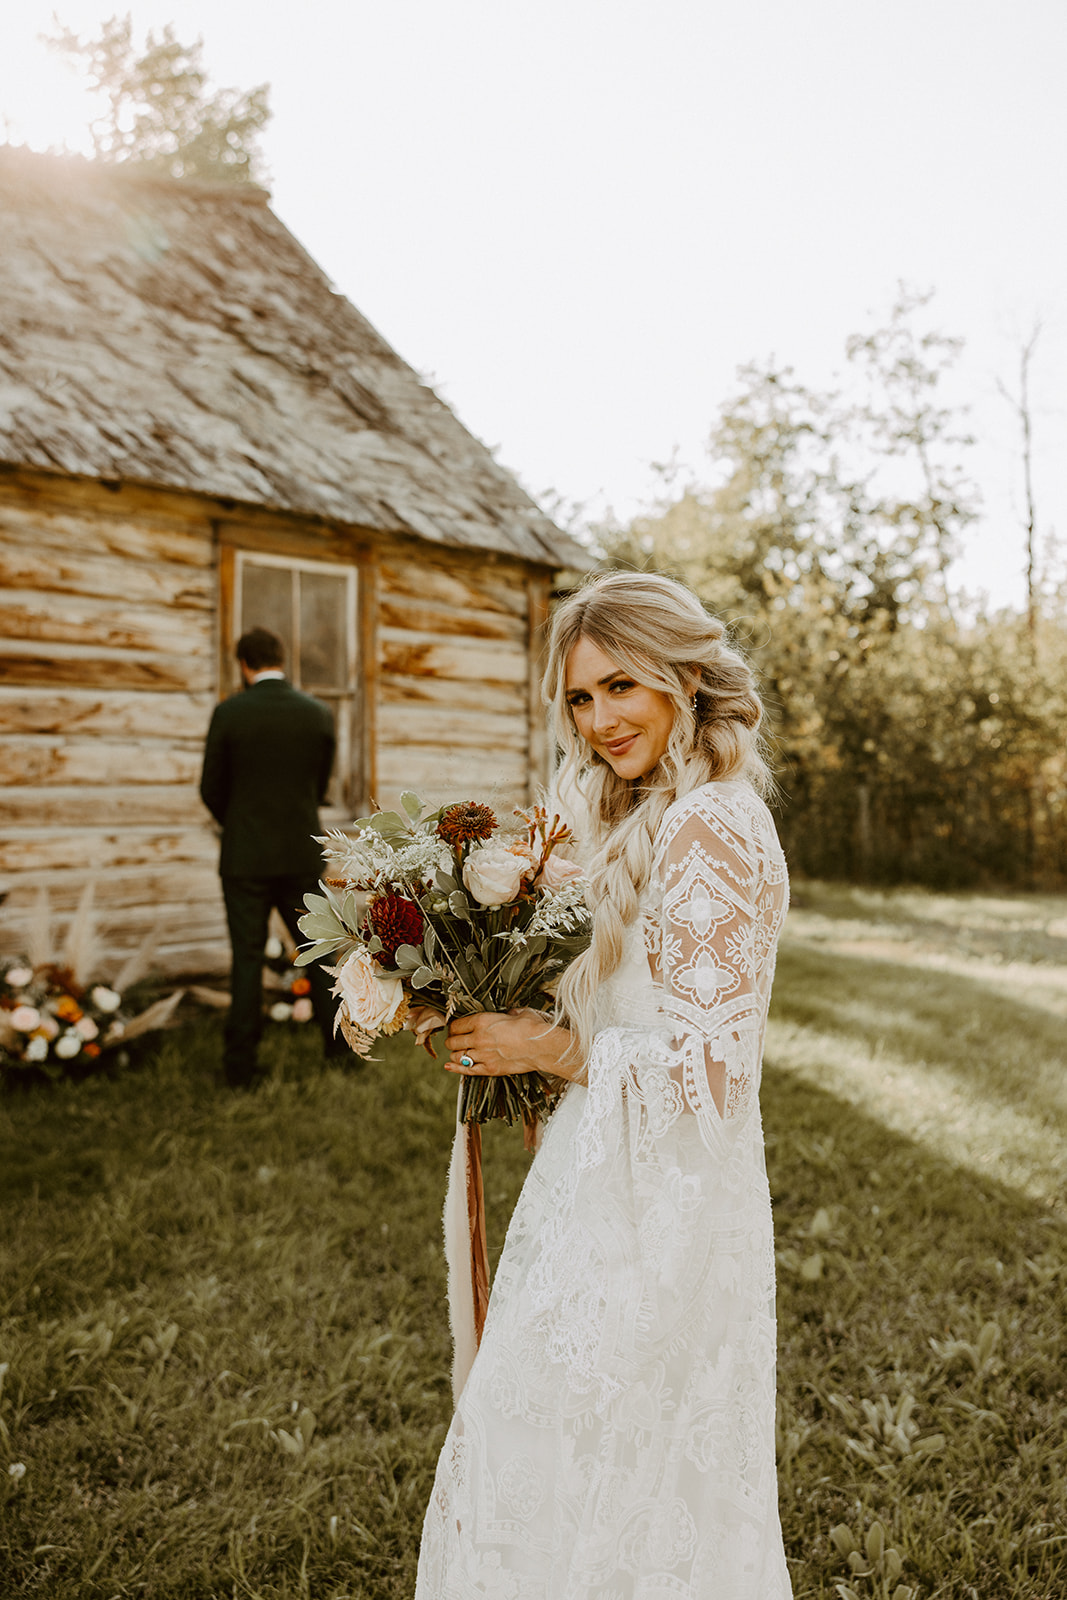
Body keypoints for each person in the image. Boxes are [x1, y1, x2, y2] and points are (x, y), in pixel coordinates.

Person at [415, 572, 793, 1598]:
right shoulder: (642, 816)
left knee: (621, 1463)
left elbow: (714, 1080)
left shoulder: (709, 825)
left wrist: (549, 1050)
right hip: (601, 1172)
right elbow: (636, 1007)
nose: (598, 720)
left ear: (683, 679)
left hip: (661, 1207)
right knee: (568, 1453)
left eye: (620, 687)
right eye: (579, 698)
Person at [199, 626, 344, 1087]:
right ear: (281, 659)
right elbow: (319, 787)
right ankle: (339, 1049)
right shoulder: (318, 714)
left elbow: (210, 788)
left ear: (243, 664)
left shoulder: (229, 713)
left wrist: (239, 821)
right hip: (300, 851)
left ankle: (240, 1068)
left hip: (244, 857)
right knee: (315, 951)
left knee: (246, 957)